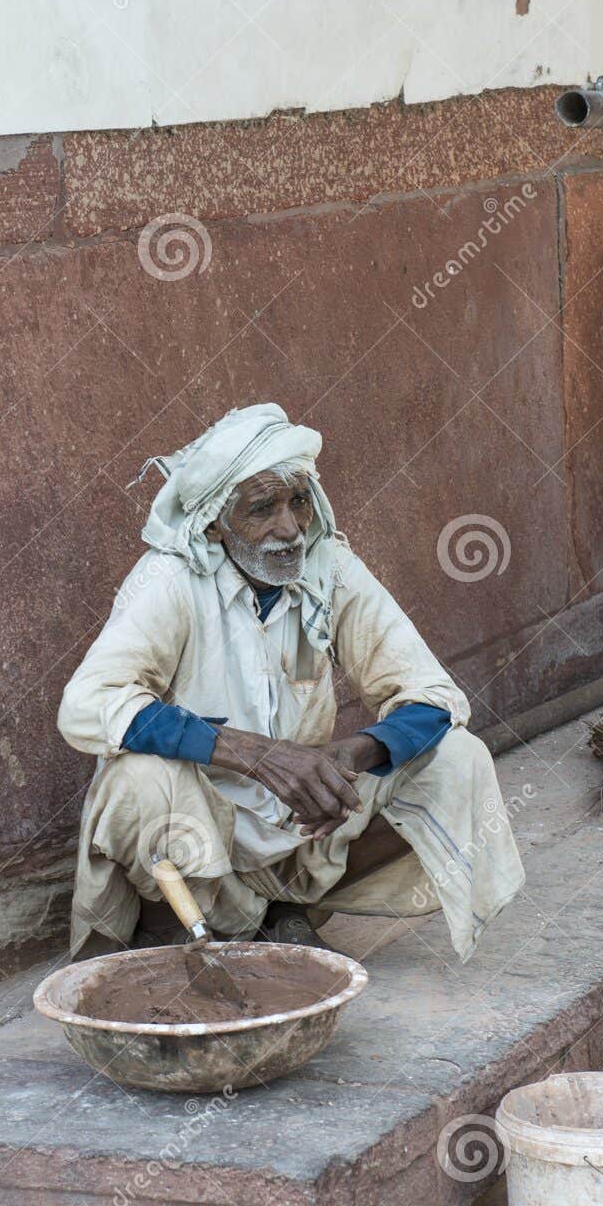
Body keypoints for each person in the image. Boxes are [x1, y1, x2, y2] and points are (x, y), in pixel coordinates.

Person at [58, 403, 523, 959]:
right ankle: (175, 925)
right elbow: (88, 704)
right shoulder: (170, 580)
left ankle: (287, 910)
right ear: (215, 521)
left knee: (456, 758)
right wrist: (255, 755)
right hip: (205, 821)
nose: (289, 529)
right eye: (262, 509)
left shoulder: (330, 567)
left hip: (303, 826)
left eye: (298, 502)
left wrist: (347, 758)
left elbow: (434, 696)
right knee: (133, 782)